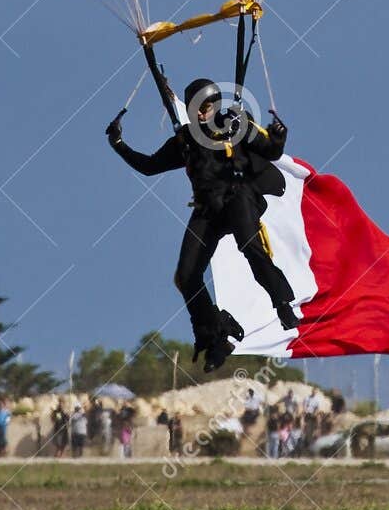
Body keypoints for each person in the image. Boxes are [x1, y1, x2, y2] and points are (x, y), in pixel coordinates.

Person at [108, 78, 297, 371]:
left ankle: (282, 302)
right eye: (197, 108)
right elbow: (149, 166)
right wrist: (119, 145)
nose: (201, 113)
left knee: (249, 245)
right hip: (207, 210)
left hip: (238, 197)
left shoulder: (236, 122)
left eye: (207, 107)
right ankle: (216, 336)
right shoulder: (184, 140)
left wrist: (278, 136)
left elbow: (269, 150)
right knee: (186, 275)